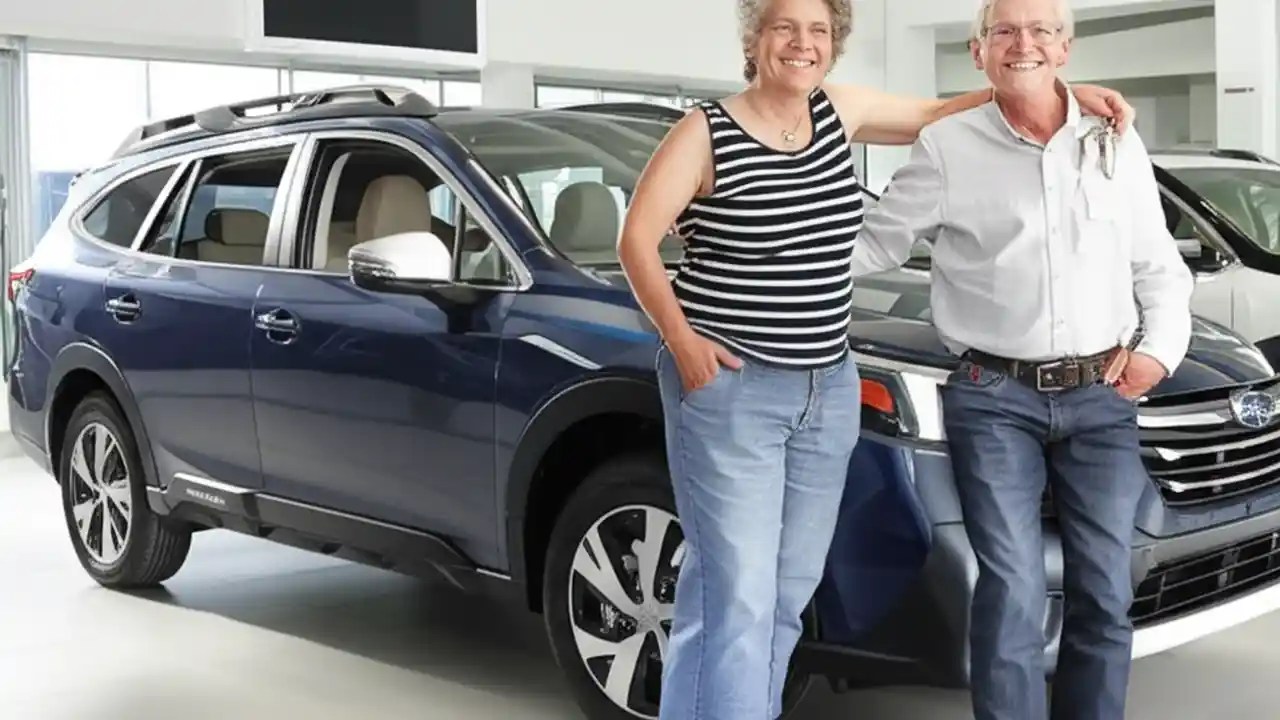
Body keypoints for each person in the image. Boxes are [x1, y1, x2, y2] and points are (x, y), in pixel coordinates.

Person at [616, 0, 1137, 717]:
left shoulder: (838, 108)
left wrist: (1067, 96)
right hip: (735, 387)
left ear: (835, 44)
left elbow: (938, 111)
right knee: (733, 596)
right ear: (754, 38)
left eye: (819, 31)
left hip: (826, 388)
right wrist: (683, 342)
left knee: (786, 597)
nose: (802, 44)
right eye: (784, 28)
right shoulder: (704, 131)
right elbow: (636, 241)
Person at [846, 0, 1195, 719]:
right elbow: (874, 244)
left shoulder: (1113, 137)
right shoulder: (947, 146)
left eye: (1041, 30)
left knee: (1106, 588)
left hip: (1103, 396)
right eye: (1003, 31)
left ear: (1066, 48)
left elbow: (1157, 261)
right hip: (992, 396)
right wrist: (760, 256)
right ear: (979, 53)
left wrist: (1158, 354)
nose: (1022, 43)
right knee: (1012, 589)